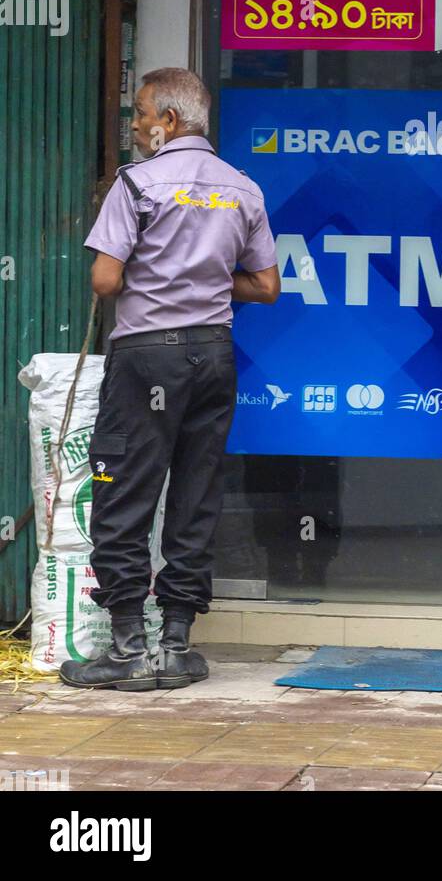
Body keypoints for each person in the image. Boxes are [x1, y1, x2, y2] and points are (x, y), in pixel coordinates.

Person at [60, 67, 280, 692]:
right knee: (195, 491)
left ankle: (128, 649)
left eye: (139, 116)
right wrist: (205, 282)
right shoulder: (243, 188)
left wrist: (160, 280)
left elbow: (105, 280)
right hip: (212, 355)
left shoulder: (137, 184)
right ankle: (178, 646)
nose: (133, 127)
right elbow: (266, 286)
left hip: (147, 356)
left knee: (123, 492)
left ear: (169, 122)